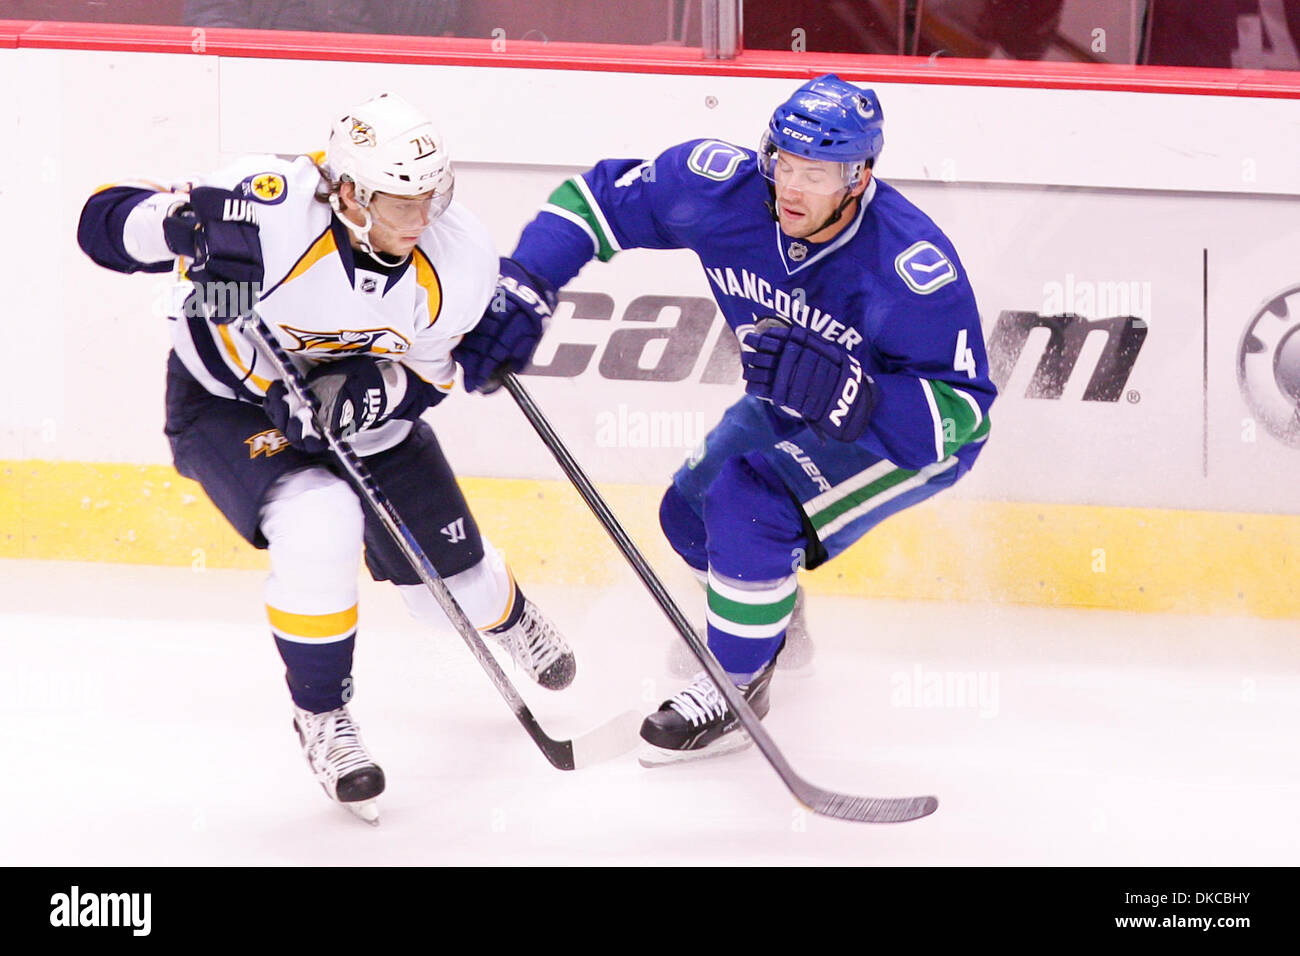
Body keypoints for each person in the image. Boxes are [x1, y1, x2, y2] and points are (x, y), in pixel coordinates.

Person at [459, 74, 996, 764]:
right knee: (689, 518)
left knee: (749, 503)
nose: (794, 188)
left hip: (894, 437)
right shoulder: (719, 189)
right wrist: (526, 282)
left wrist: (858, 398)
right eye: (785, 163)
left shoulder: (907, 265)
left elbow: (963, 416)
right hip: (787, 401)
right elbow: (594, 203)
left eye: (820, 174)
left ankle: (738, 690)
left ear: (860, 178)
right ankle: (775, 630)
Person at [76, 91, 574, 821]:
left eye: (429, 196)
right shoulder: (269, 207)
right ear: (346, 192)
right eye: (398, 201)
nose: (419, 218)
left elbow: (430, 378)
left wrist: (368, 394)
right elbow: (101, 224)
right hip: (229, 406)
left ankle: (508, 615)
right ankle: (322, 715)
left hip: (356, 414)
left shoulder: (458, 258)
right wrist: (180, 228)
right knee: (320, 518)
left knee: (453, 597)